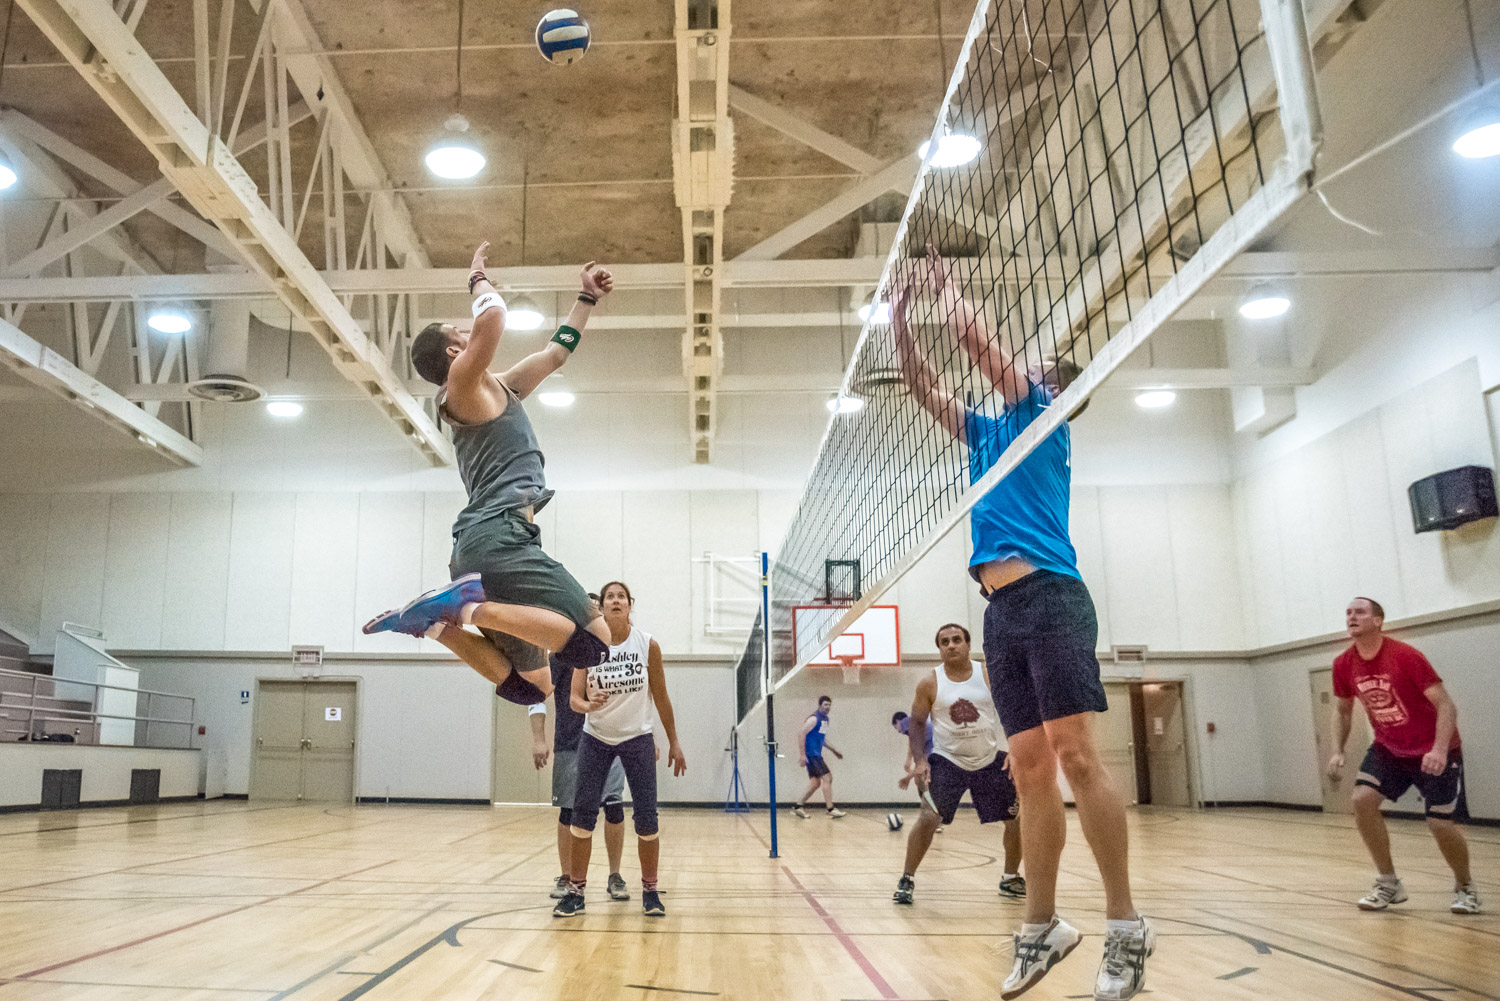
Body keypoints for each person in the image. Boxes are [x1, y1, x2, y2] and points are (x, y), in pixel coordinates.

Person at [894, 248, 1150, 1001]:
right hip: (1000, 611)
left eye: (1033, 363)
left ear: (1052, 387)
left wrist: (944, 288)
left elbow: (978, 345)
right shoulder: (984, 432)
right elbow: (925, 387)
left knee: (1074, 755)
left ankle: (1127, 927)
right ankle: (1042, 928)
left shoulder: (1043, 415)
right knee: (1030, 766)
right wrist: (904, 324)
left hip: (1051, 596)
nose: (1019, 365)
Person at [362, 245, 616, 707]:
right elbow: (493, 318)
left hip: (475, 549)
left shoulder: (494, 390)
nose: (466, 329)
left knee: (530, 689)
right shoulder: (460, 387)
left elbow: (556, 354)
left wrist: (586, 300)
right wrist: (477, 278)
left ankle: (436, 623)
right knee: (596, 643)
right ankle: (466, 608)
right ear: (455, 352)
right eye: (458, 331)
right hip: (501, 537)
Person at [1326, 597, 1480, 914]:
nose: (1352, 617)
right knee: (1361, 800)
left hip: (1434, 748)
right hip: (1389, 747)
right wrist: (1337, 750)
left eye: (1360, 612)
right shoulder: (1344, 663)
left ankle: (1465, 886)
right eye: (1348, 613)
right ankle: (1388, 883)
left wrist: (1438, 749)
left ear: (1378, 621)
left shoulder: (1405, 656)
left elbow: (1447, 706)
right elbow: (1342, 711)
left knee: (1440, 824)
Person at [554, 581, 687, 918]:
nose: (614, 601)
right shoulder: (589, 647)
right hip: (595, 738)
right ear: (602, 607)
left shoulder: (647, 645)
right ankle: (576, 891)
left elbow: (662, 697)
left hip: (637, 737)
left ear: (630, 605)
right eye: (609, 596)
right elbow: (573, 699)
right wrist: (588, 704)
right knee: (583, 816)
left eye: (620, 597)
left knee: (646, 818)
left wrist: (673, 741)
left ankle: (650, 890)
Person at [892, 623, 1024, 906]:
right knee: (928, 817)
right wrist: (920, 760)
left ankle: (1010, 877)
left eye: (956, 640)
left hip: (989, 759)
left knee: (1014, 821)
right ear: (939, 649)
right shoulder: (929, 682)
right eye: (944, 642)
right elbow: (916, 722)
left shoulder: (987, 674)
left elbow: (1013, 709)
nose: (950, 645)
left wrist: (1014, 748)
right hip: (947, 760)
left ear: (967, 644)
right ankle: (907, 878)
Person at [531, 602, 631, 901]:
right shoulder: (560, 658)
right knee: (569, 810)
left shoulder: (616, 655)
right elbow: (535, 696)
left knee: (613, 806)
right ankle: (566, 875)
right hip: (570, 742)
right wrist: (539, 738)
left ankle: (615, 875)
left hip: (611, 741)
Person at [793, 696, 846, 819]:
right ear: (820, 705)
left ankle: (798, 807)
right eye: (825, 705)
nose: (828, 707)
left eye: (829, 705)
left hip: (816, 754)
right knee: (828, 777)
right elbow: (801, 734)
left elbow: (821, 739)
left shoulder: (825, 720)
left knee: (815, 783)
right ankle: (830, 809)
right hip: (811, 755)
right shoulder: (813, 719)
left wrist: (834, 751)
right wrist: (802, 755)